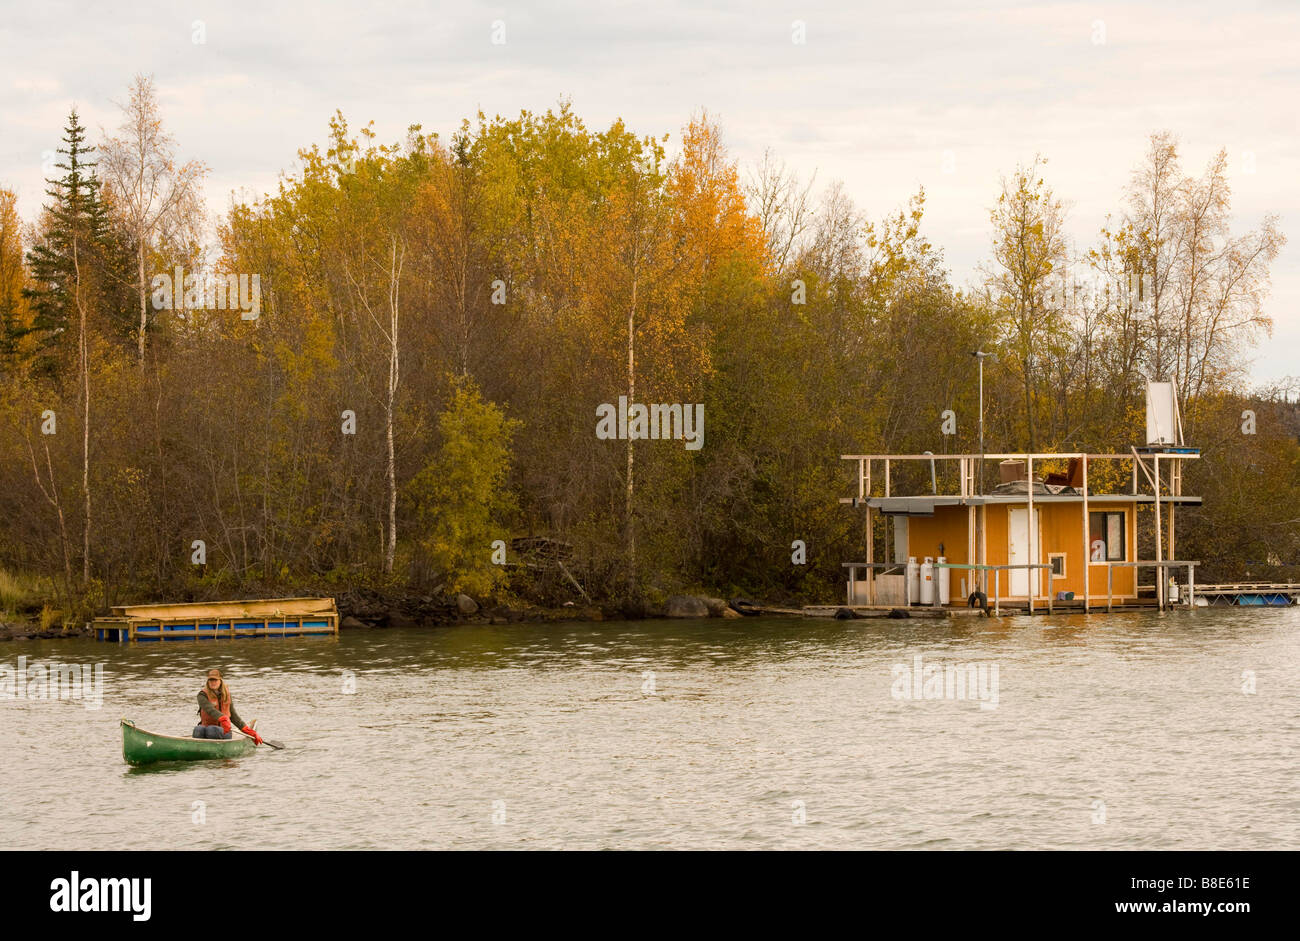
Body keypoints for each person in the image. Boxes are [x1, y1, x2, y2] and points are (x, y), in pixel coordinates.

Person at [193, 668, 263, 744]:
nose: (213, 682)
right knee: (198, 730)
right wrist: (223, 719)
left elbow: (233, 715)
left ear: (220, 681)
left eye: (215, 680)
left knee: (211, 730)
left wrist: (247, 730)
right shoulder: (202, 695)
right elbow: (209, 709)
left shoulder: (227, 695)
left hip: (223, 731)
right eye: (210, 680)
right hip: (206, 728)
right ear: (208, 682)